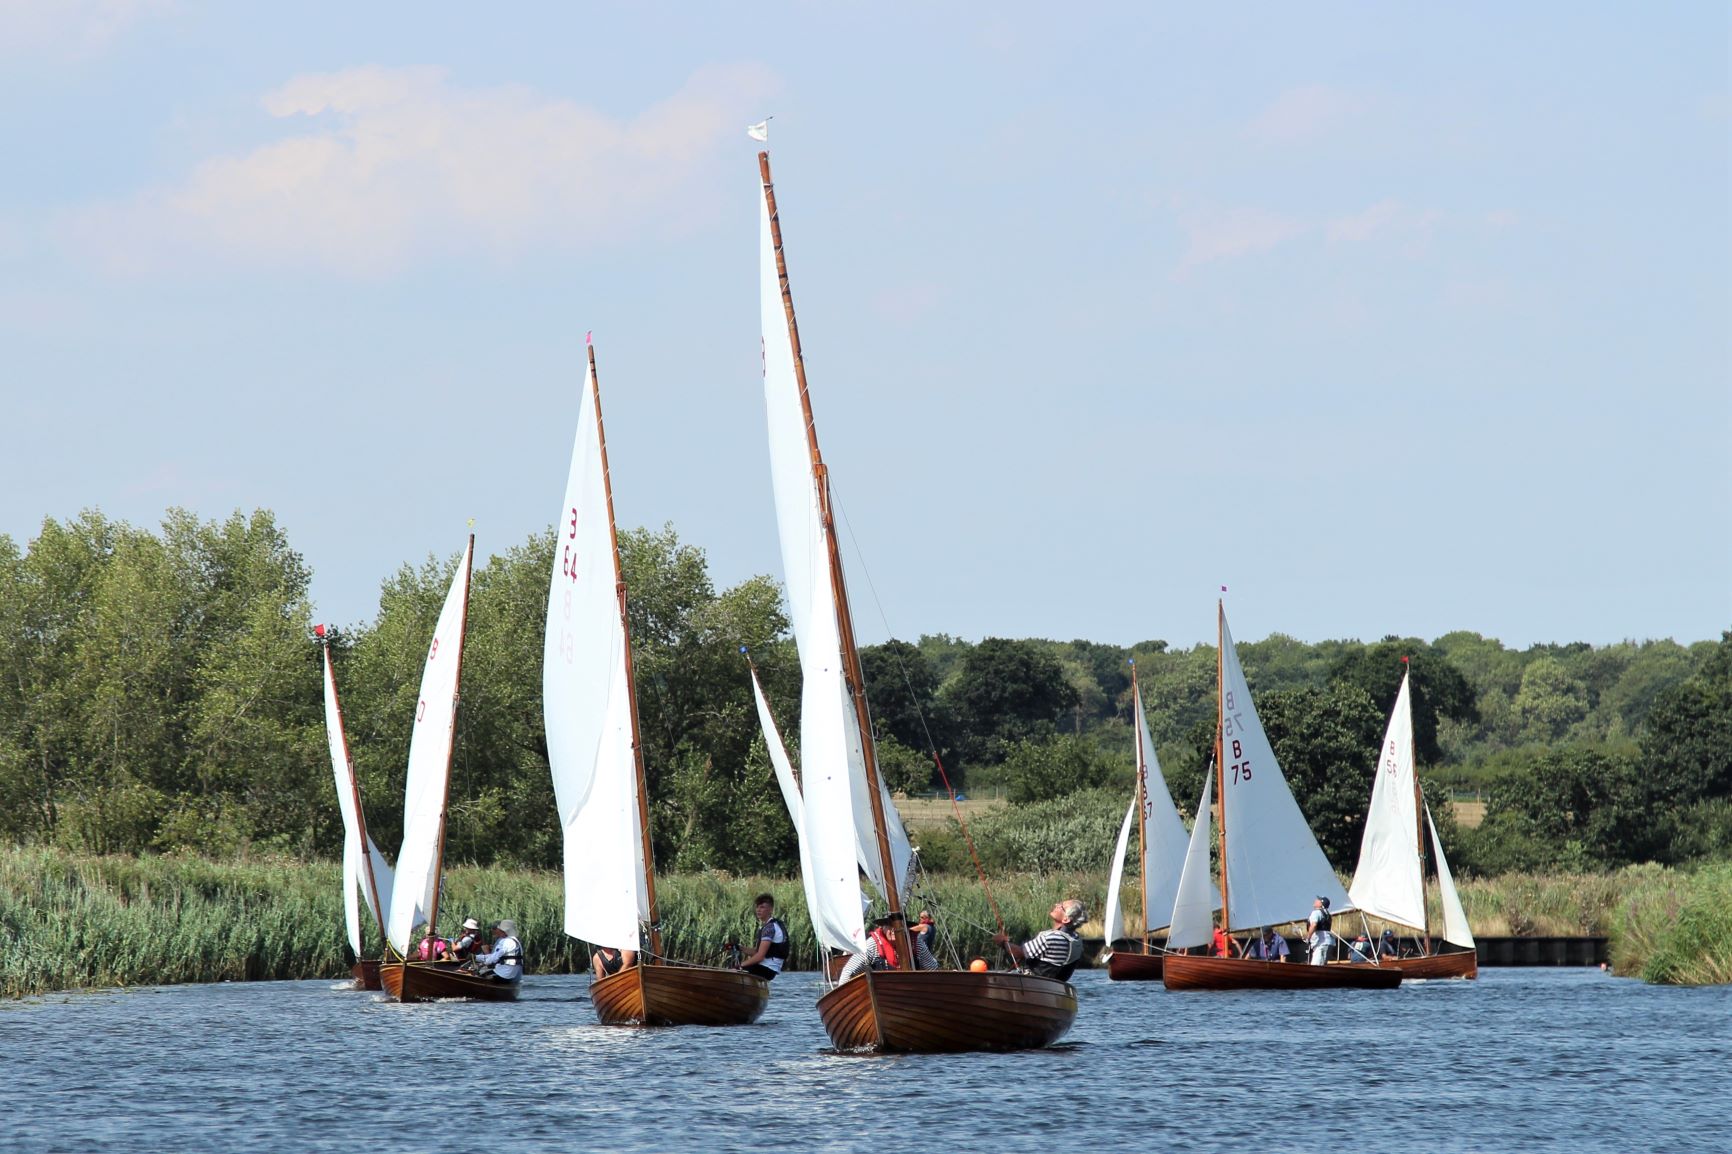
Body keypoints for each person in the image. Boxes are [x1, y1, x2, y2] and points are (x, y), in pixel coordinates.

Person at [993, 899, 1086, 982]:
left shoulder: (1050, 937)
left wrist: (1003, 942)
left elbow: (1020, 953)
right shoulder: (1077, 939)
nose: (1056, 905)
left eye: (1061, 907)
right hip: (1056, 988)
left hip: (1034, 984)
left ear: (1066, 919)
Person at [838, 913, 939, 982]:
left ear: (905, 927)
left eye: (899, 926)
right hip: (880, 995)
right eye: (889, 926)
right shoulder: (872, 945)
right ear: (883, 928)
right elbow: (848, 971)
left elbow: (933, 970)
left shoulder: (916, 943)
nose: (894, 930)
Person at [735, 893, 791, 981]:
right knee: (734, 970)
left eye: (762, 907)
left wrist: (740, 965)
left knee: (734, 971)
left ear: (771, 909)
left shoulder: (770, 928)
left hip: (766, 969)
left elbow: (760, 957)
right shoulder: (771, 925)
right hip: (767, 968)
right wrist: (739, 948)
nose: (758, 910)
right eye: (757, 907)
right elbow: (758, 952)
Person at [1306, 896, 1335, 966]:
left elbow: (1314, 925)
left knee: (1316, 966)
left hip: (1321, 943)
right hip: (1329, 942)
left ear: (1321, 904)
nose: (1315, 900)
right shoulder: (1328, 914)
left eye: (1318, 900)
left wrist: (1308, 937)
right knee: (1322, 965)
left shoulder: (1316, 913)